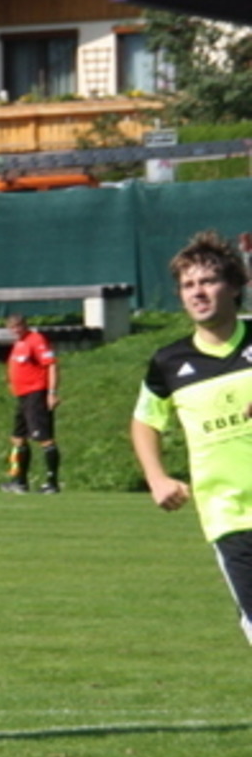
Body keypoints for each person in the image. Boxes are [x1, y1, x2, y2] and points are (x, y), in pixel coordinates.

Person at [131, 232, 252, 640]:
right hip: (228, 515)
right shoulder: (169, 362)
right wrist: (157, 478)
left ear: (235, 286)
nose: (197, 292)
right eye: (188, 285)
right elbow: (145, 421)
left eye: (208, 281)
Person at [1, 315, 61, 494]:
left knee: (43, 437)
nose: (15, 330)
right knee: (18, 438)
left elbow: (51, 365)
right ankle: (19, 481)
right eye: (12, 327)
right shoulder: (19, 344)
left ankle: (52, 482)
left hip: (36, 394)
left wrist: (52, 393)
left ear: (25, 325)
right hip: (23, 396)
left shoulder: (36, 340)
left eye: (18, 326)